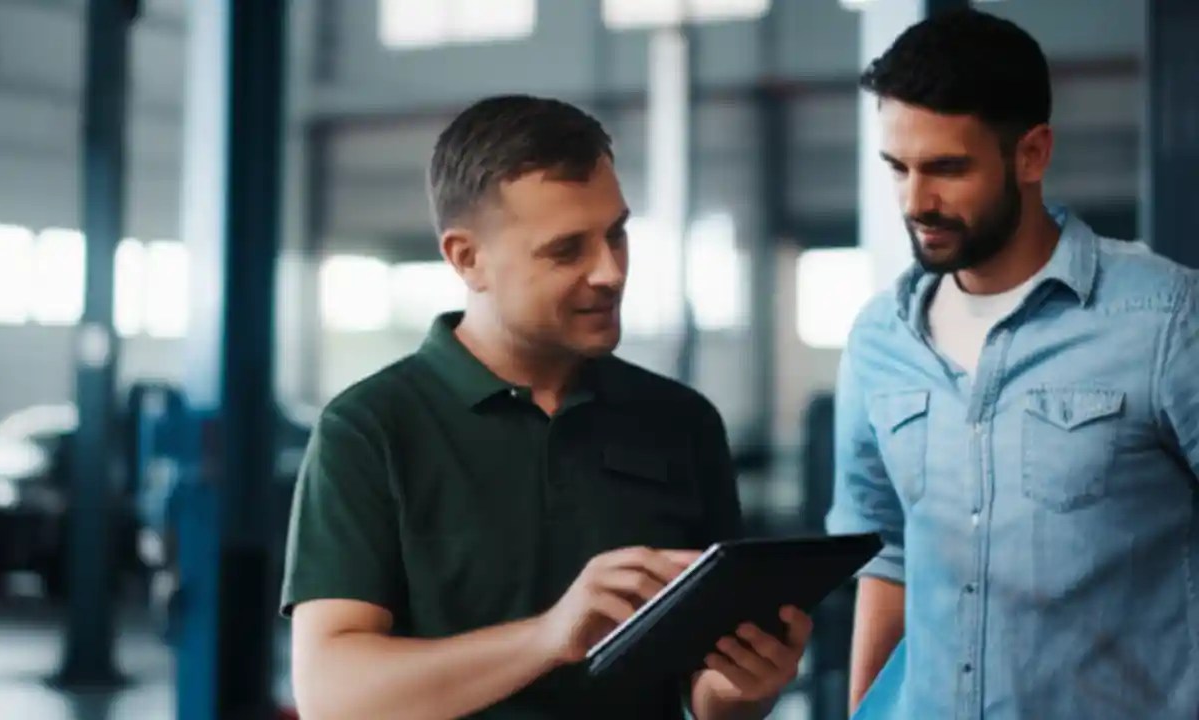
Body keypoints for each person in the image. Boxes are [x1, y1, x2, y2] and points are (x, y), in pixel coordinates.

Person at [281, 94, 812, 720]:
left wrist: (741, 688)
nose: (610, 271)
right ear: (466, 258)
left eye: (617, 234)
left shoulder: (681, 422)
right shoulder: (370, 431)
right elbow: (331, 697)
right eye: (567, 250)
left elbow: (704, 693)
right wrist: (549, 636)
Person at [827, 8, 1199, 719]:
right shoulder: (879, 340)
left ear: (1031, 154)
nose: (915, 201)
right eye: (898, 168)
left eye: (947, 168)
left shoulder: (1166, 319)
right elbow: (884, 559)